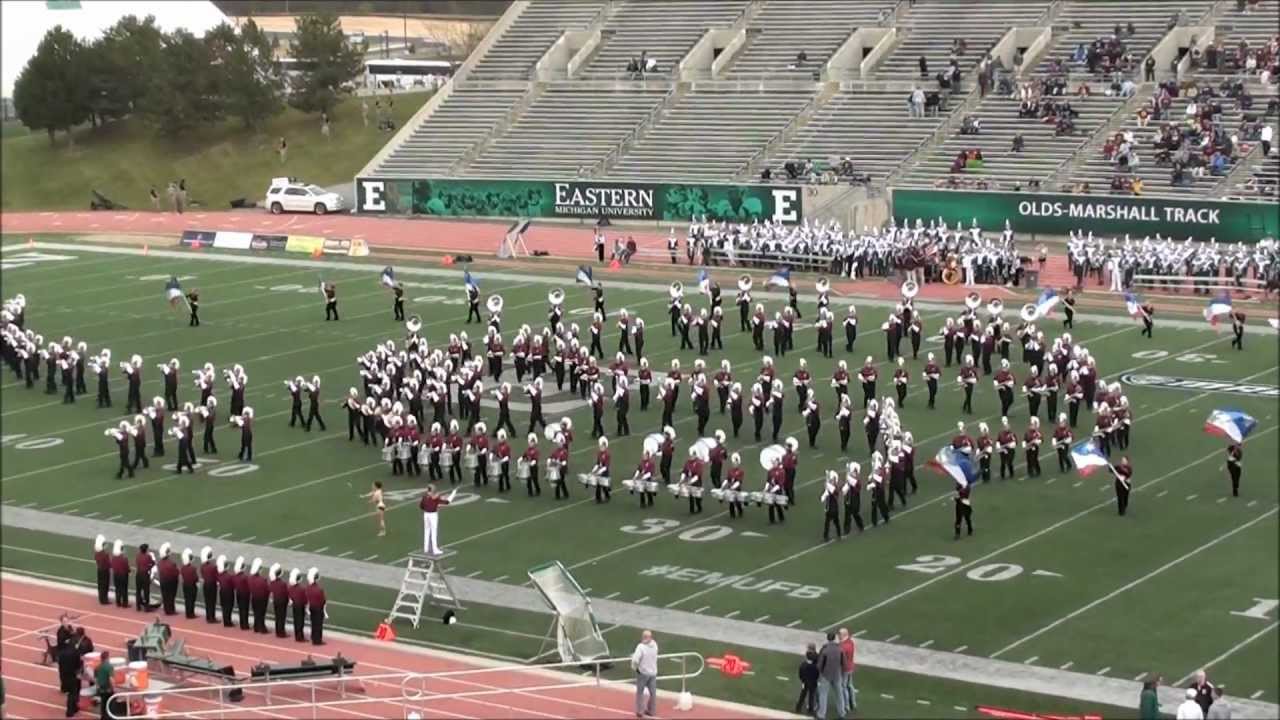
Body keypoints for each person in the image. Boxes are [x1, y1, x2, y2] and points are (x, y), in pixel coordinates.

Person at [816, 631, 846, 719]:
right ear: (834, 638)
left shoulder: (824, 649)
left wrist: (821, 673)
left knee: (823, 694)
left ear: (827, 638)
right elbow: (844, 663)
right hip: (837, 675)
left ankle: (821, 714)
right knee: (839, 695)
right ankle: (842, 713)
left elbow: (819, 664)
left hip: (826, 675)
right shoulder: (840, 649)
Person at [631, 629, 658, 718]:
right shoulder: (655, 645)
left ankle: (640, 711)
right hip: (653, 673)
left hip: (643, 673)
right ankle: (652, 710)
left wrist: (635, 668)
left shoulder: (641, 647)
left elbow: (635, 660)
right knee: (653, 693)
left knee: (640, 692)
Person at [420, 484, 451, 556]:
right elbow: (446, 502)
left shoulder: (424, 497)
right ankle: (435, 549)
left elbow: (421, 506)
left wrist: (429, 506)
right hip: (433, 515)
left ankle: (426, 548)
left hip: (426, 514)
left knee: (426, 531)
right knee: (434, 532)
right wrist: (448, 498)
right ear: (432, 490)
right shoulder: (435, 497)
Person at [57, 640, 82, 717]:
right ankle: (70, 711)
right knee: (72, 693)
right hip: (72, 675)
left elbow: (59, 663)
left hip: (63, 675)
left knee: (70, 692)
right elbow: (78, 664)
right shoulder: (75, 653)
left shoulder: (62, 653)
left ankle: (75, 707)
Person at [795, 644, 819, 716]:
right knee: (811, 696)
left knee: (802, 695)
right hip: (813, 683)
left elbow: (800, 674)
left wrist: (802, 680)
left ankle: (798, 708)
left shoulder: (803, 665)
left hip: (805, 682)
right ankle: (810, 709)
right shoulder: (815, 667)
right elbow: (817, 675)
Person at [838, 627, 856, 711]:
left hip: (844, 669)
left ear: (843, 635)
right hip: (850, 667)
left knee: (843, 686)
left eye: (839, 634)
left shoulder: (842, 646)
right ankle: (853, 703)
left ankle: (846, 705)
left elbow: (840, 659)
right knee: (850, 685)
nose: (838, 635)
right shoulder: (851, 642)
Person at [95, 651, 117, 720]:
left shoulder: (97, 667)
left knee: (103, 704)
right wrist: (114, 688)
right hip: (108, 689)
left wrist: (97, 688)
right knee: (111, 704)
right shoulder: (109, 667)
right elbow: (111, 679)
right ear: (107, 658)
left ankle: (103, 717)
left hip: (101, 689)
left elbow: (96, 679)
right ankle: (110, 717)